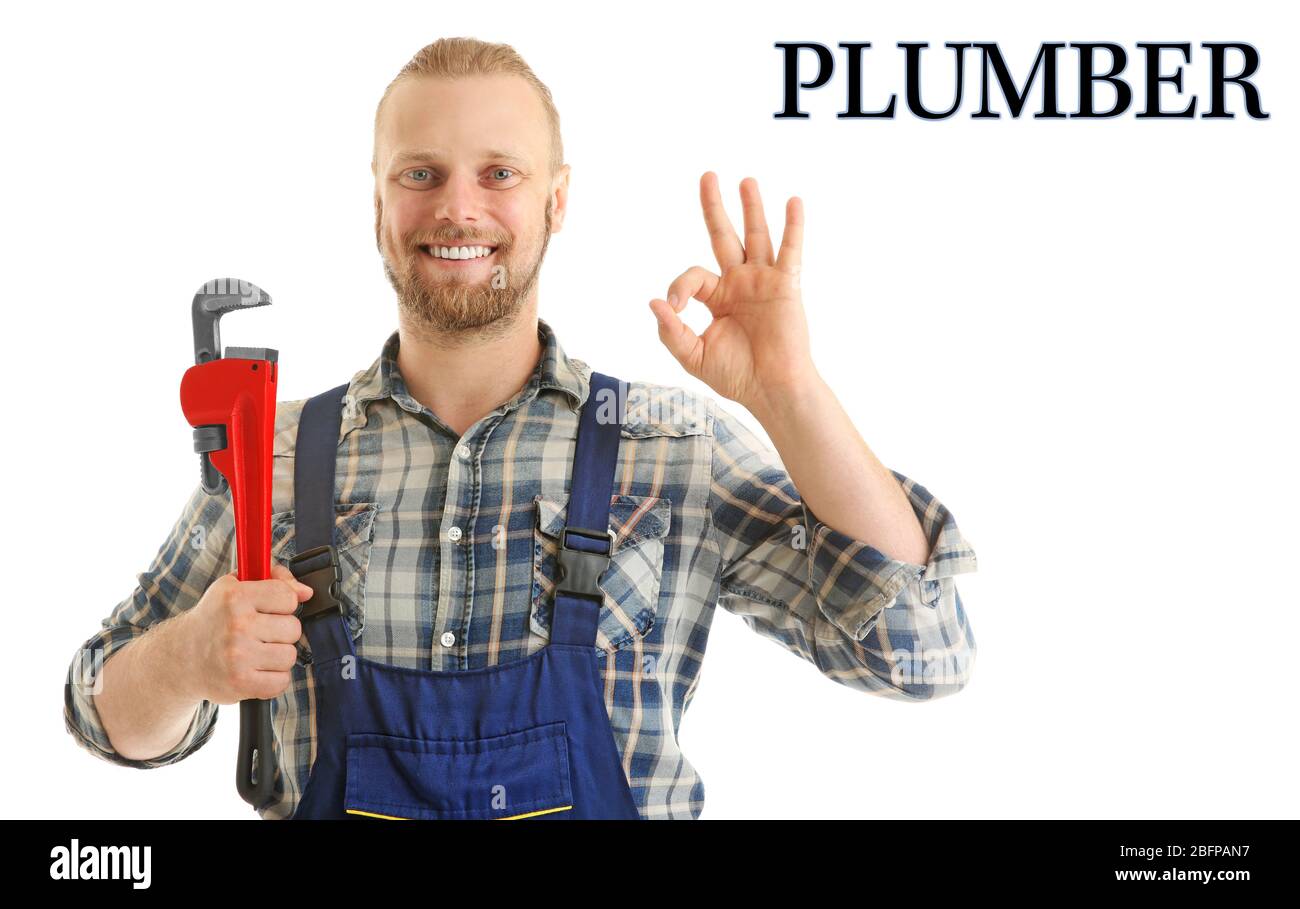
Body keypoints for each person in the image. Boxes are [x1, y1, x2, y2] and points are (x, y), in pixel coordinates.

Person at [63, 36, 979, 820]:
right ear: (377, 203)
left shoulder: (670, 448)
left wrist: (790, 390)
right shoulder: (274, 454)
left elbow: (923, 650)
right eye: (420, 173)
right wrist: (184, 659)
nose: (458, 208)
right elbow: (101, 712)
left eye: (499, 173)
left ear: (557, 199)